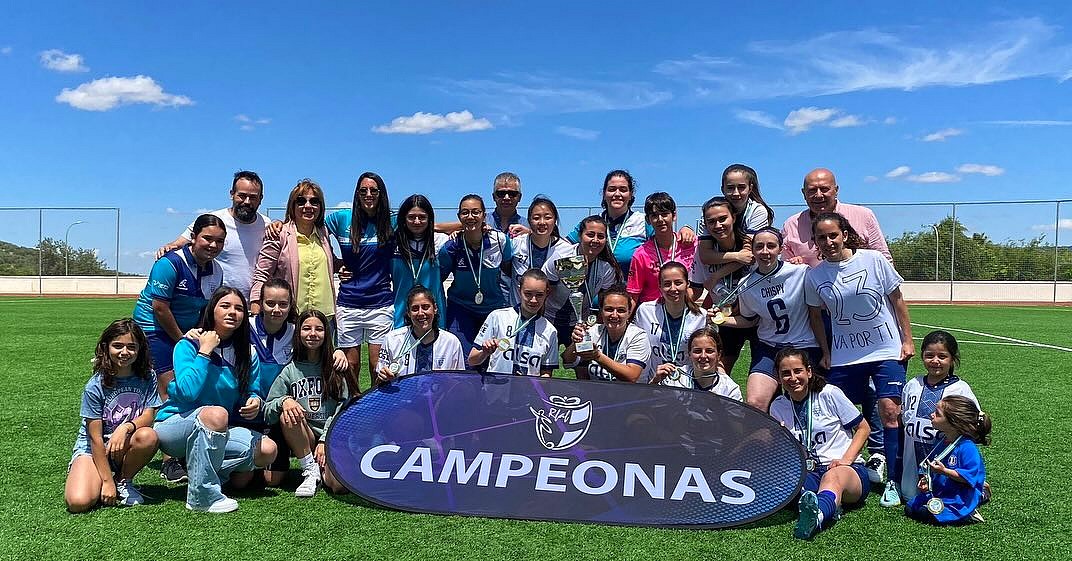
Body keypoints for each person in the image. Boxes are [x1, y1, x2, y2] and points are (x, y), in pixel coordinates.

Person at [805, 211, 914, 507]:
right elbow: (815, 315)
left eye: (833, 235)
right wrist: (826, 351)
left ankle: (893, 479)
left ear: (845, 234)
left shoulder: (873, 260)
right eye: (821, 237)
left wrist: (906, 339)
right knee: (831, 408)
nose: (828, 242)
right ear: (814, 241)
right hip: (844, 355)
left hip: (886, 350)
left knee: (890, 411)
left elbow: (897, 299)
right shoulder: (815, 276)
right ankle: (839, 466)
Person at [153, 287, 277, 513]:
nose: (233, 312)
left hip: (214, 428)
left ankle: (200, 471)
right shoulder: (188, 345)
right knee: (217, 413)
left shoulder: (247, 352)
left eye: (239, 308)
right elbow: (188, 392)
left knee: (267, 450)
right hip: (174, 426)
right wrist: (205, 351)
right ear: (212, 310)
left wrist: (254, 400)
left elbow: (252, 389)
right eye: (225, 306)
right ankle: (201, 496)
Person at [769, 348, 870, 540]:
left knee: (832, 478)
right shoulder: (778, 406)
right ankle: (829, 504)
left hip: (846, 470)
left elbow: (864, 428)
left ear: (808, 371)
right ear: (778, 377)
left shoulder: (830, 394)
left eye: (797, 371)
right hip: (808, 472)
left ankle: (818, 516)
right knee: (784, 487)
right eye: (785, 373)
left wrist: (846, 460)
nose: (793, 378)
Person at [717, 228, 823, 411]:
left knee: (807, 402)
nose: (765, 252)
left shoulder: (800, 272)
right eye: (759, 247)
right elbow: (749, 320)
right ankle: (766, 440)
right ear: (753, 250)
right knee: (755, 403)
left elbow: (816, 312)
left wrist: (826, 351)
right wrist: (720, 320)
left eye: (771, 246)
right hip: (769, 347)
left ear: (780, 249)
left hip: (802, 345)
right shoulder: (746, 283)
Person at [65, 319, 161, 512]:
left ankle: (123, 480)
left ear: (140, 349)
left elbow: (149, 416)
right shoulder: (95, 385)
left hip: (124, 442)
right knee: (78, 502)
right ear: (106, 347)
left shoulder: (148, 376)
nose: (124, 352)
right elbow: (94, 438)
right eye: (117, 346)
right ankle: (103, 478)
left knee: (149, 436)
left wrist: (125, 427)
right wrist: (106, 482)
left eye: (131, 347)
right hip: (93, 448)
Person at [263, 310, 357, 497]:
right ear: (298, 333)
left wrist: (324, 440)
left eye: (319, 329)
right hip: (304, 436)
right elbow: (267, 411)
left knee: (339, 486)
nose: (312, 333)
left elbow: (343, 409)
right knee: (287, 413)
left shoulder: (336, 366)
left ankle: (322, 469)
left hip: (332, 435)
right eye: (306, 328)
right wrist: (284, 400)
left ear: (326, 333)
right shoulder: (291, 370)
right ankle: (310, 469)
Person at [134, 213, 226, 400]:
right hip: (154, 327)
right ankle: (164, 421)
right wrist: (182, 340)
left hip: (186, 330)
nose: (213, 245)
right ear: (193, 237)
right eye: (207, 238)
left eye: (220, 241)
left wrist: (197, 336)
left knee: (194, 376)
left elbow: (206, 310)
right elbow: (160, 308)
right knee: (170, 384)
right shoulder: (169, 263)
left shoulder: (217, 270)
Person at [325, 172, 396, 385]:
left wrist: (462, 227)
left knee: (378, 366)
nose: (368, 194)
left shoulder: (392, 221)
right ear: (357, 193)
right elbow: (313, 232)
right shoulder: (341, 218)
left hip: (380, 303)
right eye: (363, 190)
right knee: (350, 365)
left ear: (381, 194)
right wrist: (336, 263)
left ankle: (375, 410)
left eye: (374, 190)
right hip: (349, 303)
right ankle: (351, 407)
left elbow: (430, 224)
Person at [157, 171, 270, 299]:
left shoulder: (267, 225)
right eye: (242, 196)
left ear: (261, 199)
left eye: (253, 197)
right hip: (218, 303)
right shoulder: (213, 220)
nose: (247, 201)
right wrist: (168, 247)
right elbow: (180, 243)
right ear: (232, 194)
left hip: (255, 303)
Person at [567, 170, 694, 278]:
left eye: (623, 189)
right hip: (593, 300)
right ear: (604, 193)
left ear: (631, 194)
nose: (617, 194)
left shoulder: (643, 221)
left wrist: (686, 228)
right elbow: (564, 246)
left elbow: (666, 238)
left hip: (630, 300)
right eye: (612, 189)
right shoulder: (592, 223)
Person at [900, 330, 980, 502]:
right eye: (929, 355)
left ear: (952, 359)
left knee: (943, 500)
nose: (935, 361)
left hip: (946, 464)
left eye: (942, 356)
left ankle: (977, 490)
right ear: (922, 356)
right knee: (912, 499)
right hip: (910, 465)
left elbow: (973, 425)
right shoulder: (913, 385)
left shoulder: (960, 389)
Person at [250, 179, 339, 321]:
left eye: (314, 201)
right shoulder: (278, 234)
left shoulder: (324, 234)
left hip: (324, 319)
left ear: (321, 207)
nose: (308, 206)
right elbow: (262, 274)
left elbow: (332, 264)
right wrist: (255, 307)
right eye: (301, 201)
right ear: (293, 206)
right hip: (291, 318)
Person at [438, 194, 514, 352]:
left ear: (484, 216)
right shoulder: (450, 247)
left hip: (493, 310)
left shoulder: (500, 241)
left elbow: (509, 269)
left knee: (491, 359)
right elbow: (438, 279)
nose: (470, 216)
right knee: (463, 361)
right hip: (460, 308)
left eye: (475, 212)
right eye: (465, 212)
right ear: (459, 216)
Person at [688, 196, 754, 375]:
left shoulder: (751, 245)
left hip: (757, 321)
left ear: (733, 216)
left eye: (722, 219)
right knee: (717, 373)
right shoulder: (702, 252)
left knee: (763, 383)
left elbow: (751, 260)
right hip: (726, 319)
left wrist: (717, 274)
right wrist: (672, 300)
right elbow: (695, 288)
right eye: (711, 222)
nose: (717, 225)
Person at [906, 395, 991, 525]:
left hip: (958, 497)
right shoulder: (942, 441)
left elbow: (968, 477)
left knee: (930, 516)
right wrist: (926, 481)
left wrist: (944, 471)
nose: (932, 415)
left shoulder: (967, 448)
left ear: (953, 423)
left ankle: (977, 501)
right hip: (942, 492)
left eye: (937, 414)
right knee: (910, 508)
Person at [781, 168, 891, 267]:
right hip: (813, 288)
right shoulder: (791, 225)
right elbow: (786, 269)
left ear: (836, 190)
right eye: (812, 190)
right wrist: (794, 264)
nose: (818, 195)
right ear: (803, 194)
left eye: (824, 189)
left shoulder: (863, 215)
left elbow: (884, 258)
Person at [543, 215, 623, 347]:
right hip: (550, 318)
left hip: (580, 323)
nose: (595, 240)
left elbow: (605, 302)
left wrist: (592, 325)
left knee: (583, 365)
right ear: (580, 236)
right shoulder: (560, 257)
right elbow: (544, 291)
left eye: (601, 236)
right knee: (543, 364)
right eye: (590, 235)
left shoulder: (606, 268)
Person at [635, 262, 712, 387]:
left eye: (678, 283)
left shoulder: (701, 316)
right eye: (667, 284)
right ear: (659, 287)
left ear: (687, 284)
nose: (673, 288)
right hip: (652, 382)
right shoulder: (645, 311)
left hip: (687, 385)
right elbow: (638, 347)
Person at [469, 269, 559, 377]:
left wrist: (543, 380)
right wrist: (484, 352)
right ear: (519, 290)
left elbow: (546, 373)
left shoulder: (550, 331)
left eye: (539, 295)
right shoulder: (498, 317)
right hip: (497, 389)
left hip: (528, 392)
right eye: (528, 294)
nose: (533, 300)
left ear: (547, 294)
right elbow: (472, 360)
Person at [376, 286, 466, 384]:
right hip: (403, 398)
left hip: (440, 398)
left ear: (435, 308)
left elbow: (459, 382)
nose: (420, 313)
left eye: (425, 307)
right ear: (408, 313)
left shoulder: (451, 342)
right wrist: (382, 378)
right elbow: (379, 384)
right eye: (415, 308)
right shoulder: (392, 339)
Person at [563, 285, 649, 383]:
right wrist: (575, 343)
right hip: (598, 394)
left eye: (621, 310)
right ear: (601, 311)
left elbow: (631, 376)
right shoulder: (594, 331)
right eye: (609, 309)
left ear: (629, 313)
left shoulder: (638, 336)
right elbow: (567, 362)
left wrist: (598, 356)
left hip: (631, 395)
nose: (614, 315)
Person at [696, 163, 775, 265]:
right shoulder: (711, 211)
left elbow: (747, 256)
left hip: (749, 273)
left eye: (741, 187)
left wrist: (716, 276)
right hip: (718, 270)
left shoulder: (757, 211)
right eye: (730, 188)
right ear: (722, 190)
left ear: (750, 188)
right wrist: (736, 256)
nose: (736, 193)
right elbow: (706, 255)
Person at [503, 195, 573, 308]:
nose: (542, 222)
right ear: (529, 221)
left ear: (555, 220)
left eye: (547, 217)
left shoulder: (565, 250)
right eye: (536, 218)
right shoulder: (516, 244)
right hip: (517, 313)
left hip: (548, 317)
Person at [391, 194, 449, 329]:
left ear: (430, 220)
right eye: (411, 217)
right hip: (401, 314)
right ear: (404, 219)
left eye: (422, 217)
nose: (417, 221)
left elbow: (468, 228)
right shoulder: (393, 243)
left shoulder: (440, 242)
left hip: (433, 316)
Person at [627, 192, 696, 304]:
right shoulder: (641, 254)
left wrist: (680, 303)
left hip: (683, 309)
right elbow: (633, 295)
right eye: (654, 215)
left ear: (674, 216)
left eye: (664, 214)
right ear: (648, 220)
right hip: (652, 313)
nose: (660, 219)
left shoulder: (690, 244)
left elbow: (700, 285)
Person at [437, 172, 529, 237]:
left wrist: (531, 234)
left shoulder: (529, 226)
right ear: (494, 197)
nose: (506, 197)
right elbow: (440, 227)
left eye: (512, 194)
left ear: (519, 197)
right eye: (501, 193)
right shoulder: (479, 220)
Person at [685, 327, 742, 399]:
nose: (703, 356)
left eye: (709, 351)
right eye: (697, 351)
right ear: (689, 354)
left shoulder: (730, 389)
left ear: (719, 354)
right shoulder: (677, 379)